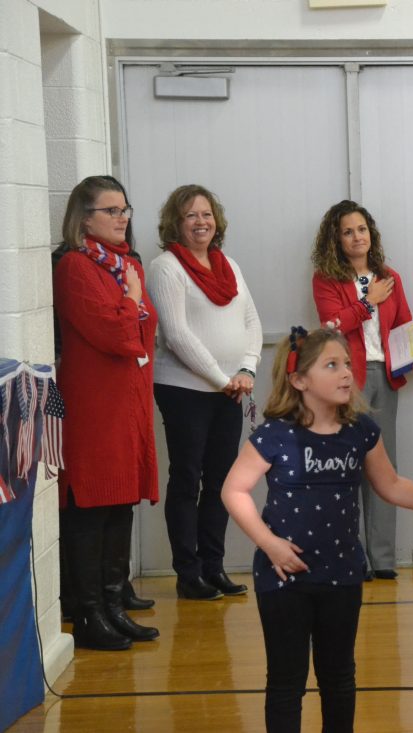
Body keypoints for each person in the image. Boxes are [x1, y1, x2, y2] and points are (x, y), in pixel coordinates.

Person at [222, 328, 413, 733]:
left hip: (342, 575)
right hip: (284, 578)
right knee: (286, 681)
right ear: (299, 380)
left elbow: (392, 486)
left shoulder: (361, 430)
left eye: (347, 363)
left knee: (339, 679)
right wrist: (269, 544)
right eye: (332, 365)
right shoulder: (275, 434)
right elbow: (234, 490)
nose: (346, 373)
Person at [53, 175, 160, 650]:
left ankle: (115, 606)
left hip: (128, 401)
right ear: (85, 217)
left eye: (125, 210)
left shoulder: (124, 264)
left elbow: (143, 333)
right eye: (111, 211)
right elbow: (119, 335)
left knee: (121, 503)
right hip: (94, 406)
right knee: (92, 506)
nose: (122, 218)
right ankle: (89, 614)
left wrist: (131, 299)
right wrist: (133, 297)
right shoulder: (76, 267)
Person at [146, 184, 263, 601]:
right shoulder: (165, 268)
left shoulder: (227, 265)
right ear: (175, 223)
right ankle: (188, 572)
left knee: (221, 481)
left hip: (229, 389)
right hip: (184, 390)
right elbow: (175, 335)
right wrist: (222, 377)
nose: (201, 222)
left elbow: (252, 321)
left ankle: (213, 568)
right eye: (191, 215)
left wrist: (247, 368)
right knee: (187, 479)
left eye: (207, 214)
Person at [311, 200, 413, 581]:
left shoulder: (388, 275)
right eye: (347, 231)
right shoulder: (326, 278)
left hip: (385, 378)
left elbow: (405, 325)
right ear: (336, 239)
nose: (357, 237)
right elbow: (331, 325)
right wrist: (366, 303)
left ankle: (383, 560)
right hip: (346, 382)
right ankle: (349, 556)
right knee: (346, 469)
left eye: (362, 229)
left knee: (383, 469)